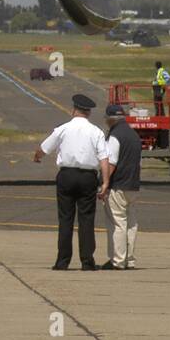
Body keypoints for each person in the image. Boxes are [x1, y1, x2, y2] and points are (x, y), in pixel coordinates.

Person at [33, 94, 110, 271]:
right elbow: (104, 158)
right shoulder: (96, 132)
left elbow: (44, 148)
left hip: (67, 176)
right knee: (86, 219)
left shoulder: (63, 129)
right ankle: (87, 261)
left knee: (65, 219)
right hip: (87, 178)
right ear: (88, 113)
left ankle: (62, 261)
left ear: (74, 109)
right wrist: (105, 182)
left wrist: (37, 157)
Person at [100, 103, 141, 270]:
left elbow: (111, 162)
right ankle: (129, 259)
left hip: (119, 185)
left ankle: (118, 260)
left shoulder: (116, 135)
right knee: (131, 224)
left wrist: (104, 183)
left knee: (117, 223)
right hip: (133, 185)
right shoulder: (133, 135)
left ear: (110, 119)